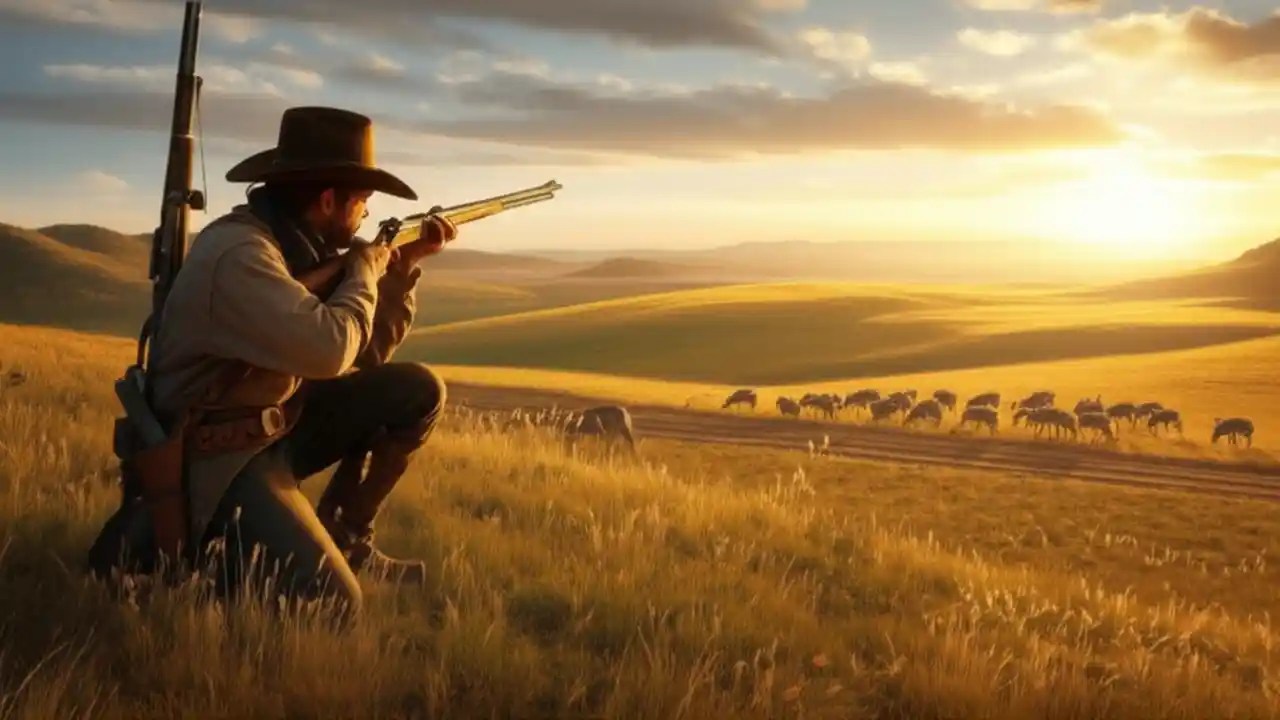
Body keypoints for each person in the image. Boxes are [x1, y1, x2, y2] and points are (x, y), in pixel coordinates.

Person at [89, 106, 456, 618]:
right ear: (329, 201)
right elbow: (330, 351)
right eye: (362, 205)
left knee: (415, 391)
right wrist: (363, 274)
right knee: (332, 607)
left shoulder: (296, 249)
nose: (363, 220)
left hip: (275, 427)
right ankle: (195, 568)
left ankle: (347, 537)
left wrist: (402, 269)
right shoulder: (241, 255)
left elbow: (365, 354)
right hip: (215, 454)